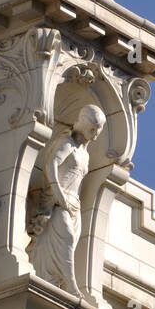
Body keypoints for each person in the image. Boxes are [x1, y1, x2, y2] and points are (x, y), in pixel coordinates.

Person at [29, 104, 106, 296]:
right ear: (82, 123)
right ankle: (72, 285)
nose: (95, 135)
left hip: (74, 206)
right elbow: (51, 165)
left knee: (70, 244)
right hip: (58, 202)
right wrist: (58, 194)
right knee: (68, 239)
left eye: (98, 131)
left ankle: (58, 282)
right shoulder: (67, 143)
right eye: (92, 129)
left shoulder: (85, 154)